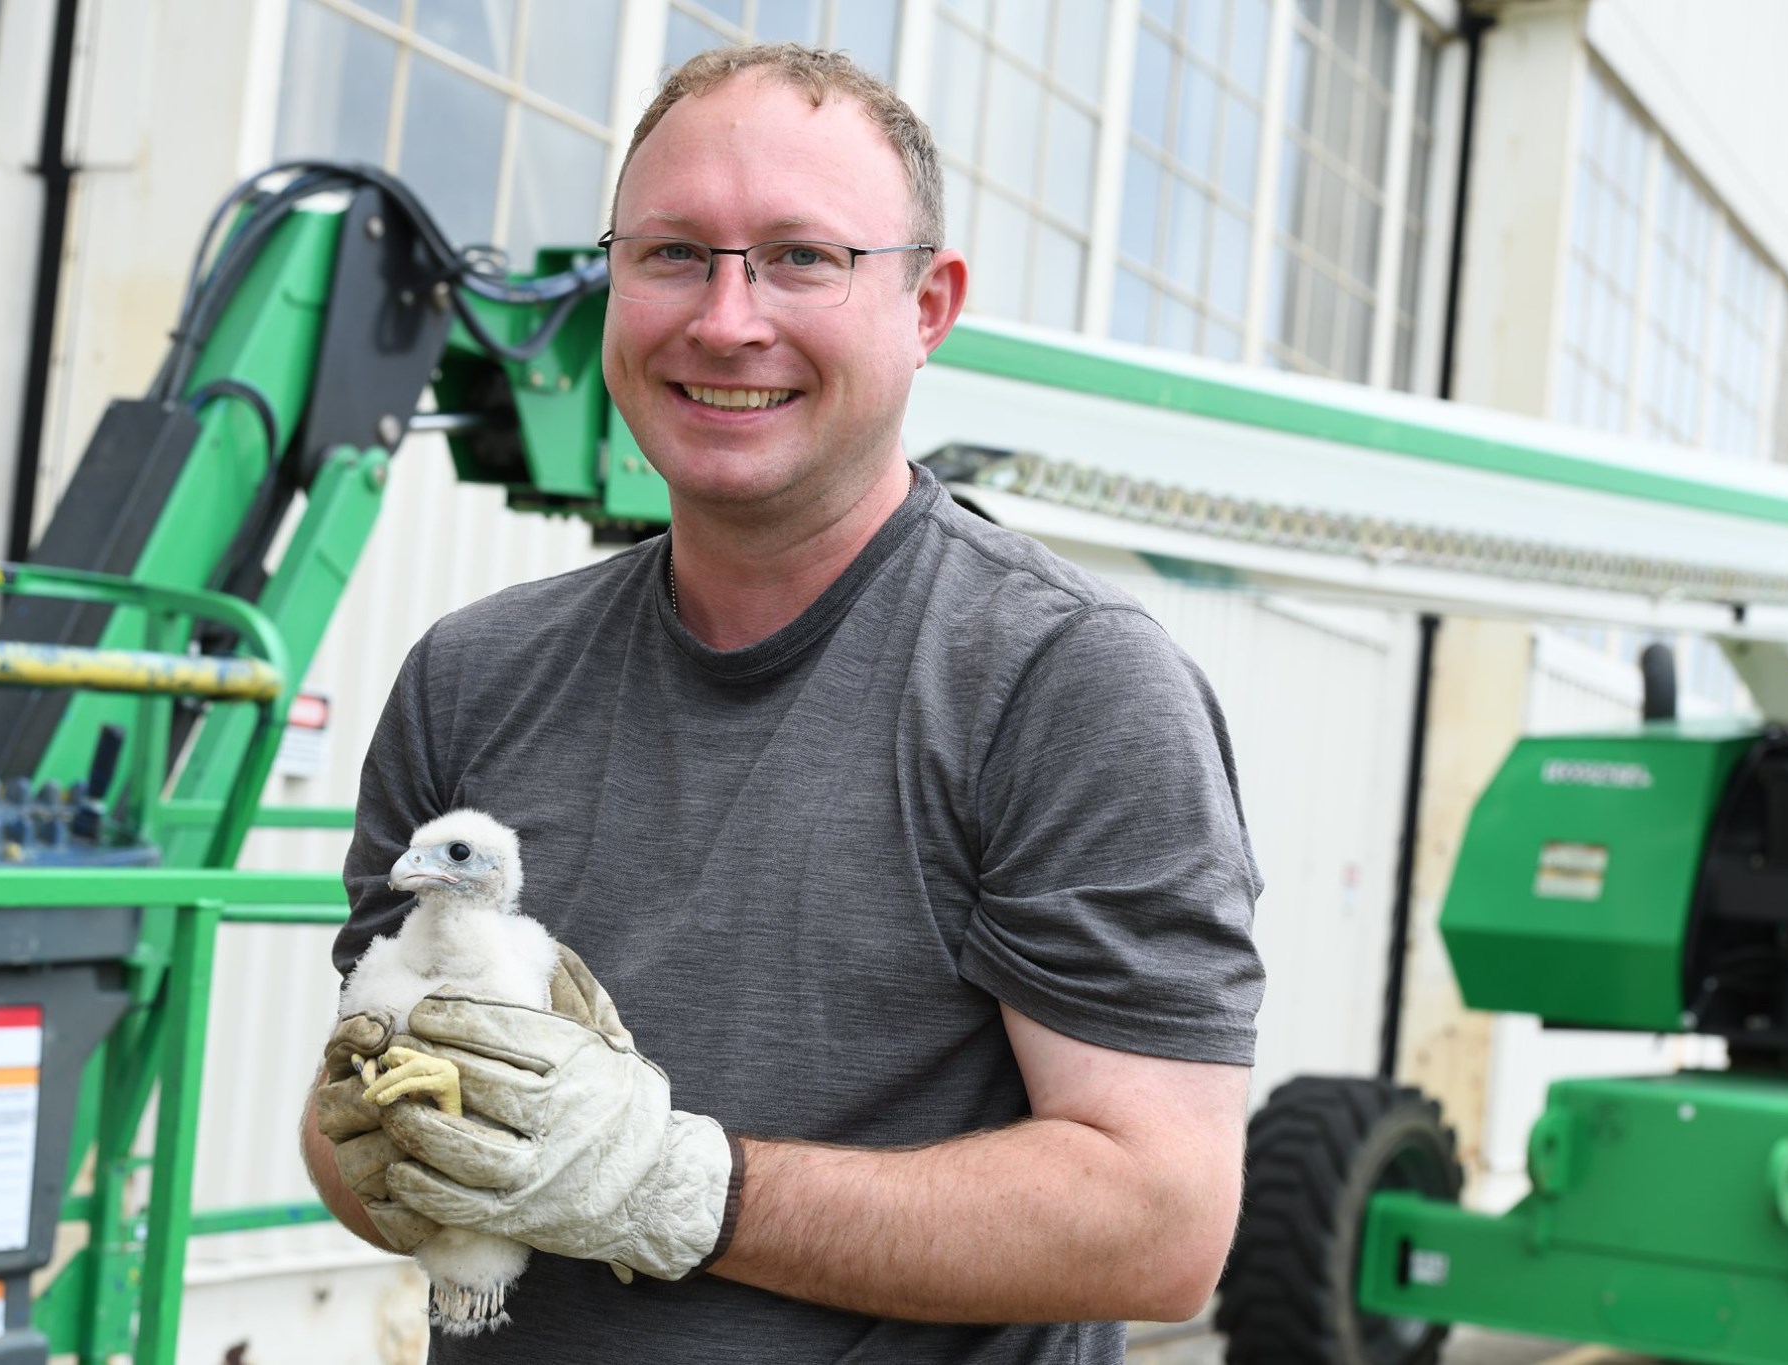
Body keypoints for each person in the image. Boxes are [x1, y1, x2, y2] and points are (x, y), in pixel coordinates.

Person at [302, 41, 1264, 1364]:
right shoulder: (472, 679)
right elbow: (352, 1136)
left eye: (803, 258)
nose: (727, 317)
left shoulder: (1065, 684)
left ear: (929, 305)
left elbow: (1157, 1221)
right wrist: (372, 1147)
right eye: (674, 254)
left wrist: (686, 1187)